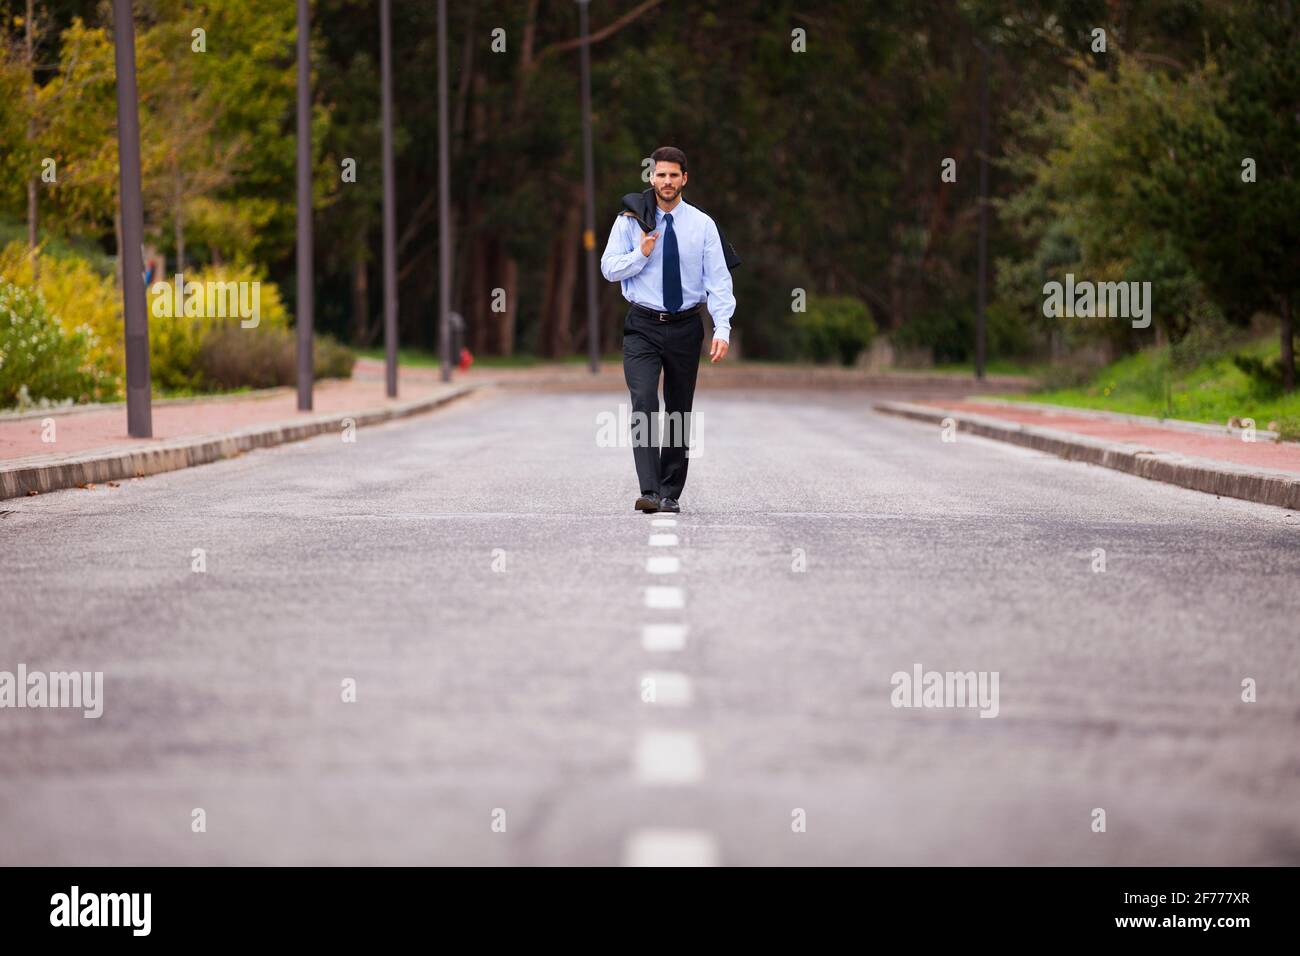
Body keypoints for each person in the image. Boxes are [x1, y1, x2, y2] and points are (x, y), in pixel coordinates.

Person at [599, 146, 735, 514]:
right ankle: (650, 490)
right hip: (642, 325)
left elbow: (718, 282)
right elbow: (609, 269)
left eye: (674, 175)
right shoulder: (630, 221)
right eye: (661, 174)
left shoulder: (703, 225)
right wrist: (640, 254)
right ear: (651, 177)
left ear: (684, 179)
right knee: (644, 401)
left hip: (686, 326)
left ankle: (671, 491)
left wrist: (721, 328)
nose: (667, 181)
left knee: (678, 409)